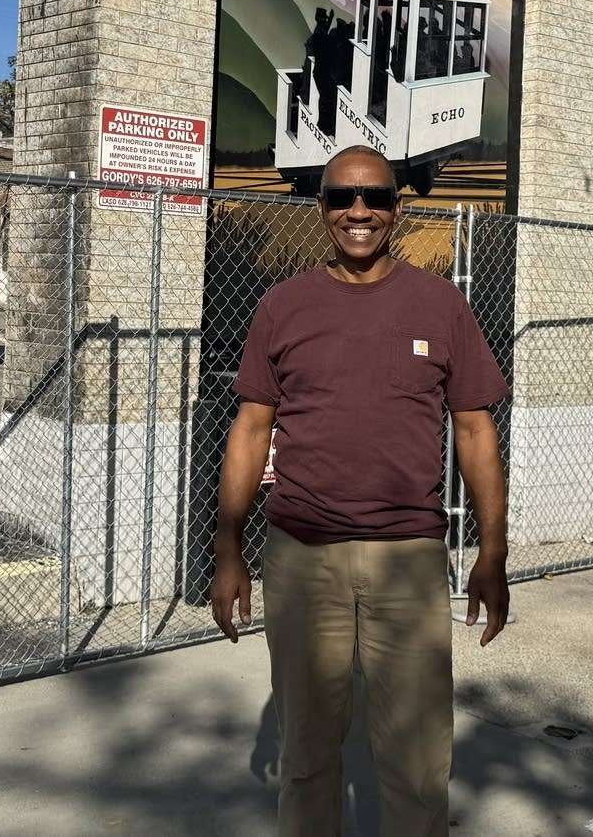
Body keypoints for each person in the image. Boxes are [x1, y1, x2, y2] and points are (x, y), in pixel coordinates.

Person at [210, 144, 510, 836]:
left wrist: (490, 553)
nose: (359, 211)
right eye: (343, 197)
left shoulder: (441, 306)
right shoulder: (283, 308)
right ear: (320, 208)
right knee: (308, 756)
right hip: (302, 555)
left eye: (375, 197)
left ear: (398, 208)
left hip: (406, 559)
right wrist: (228, 547)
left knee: (416, 762)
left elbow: (474, 431)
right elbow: (252, 430)